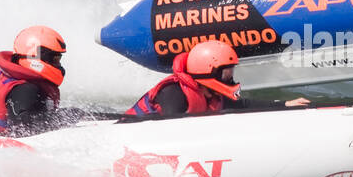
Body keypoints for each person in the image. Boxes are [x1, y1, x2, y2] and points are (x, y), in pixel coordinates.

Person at [126, 40, 309, 117]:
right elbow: (166, 130)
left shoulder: (213, 97)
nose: (230, 78)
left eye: (230, 72)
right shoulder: (174, 93)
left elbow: (244, 105)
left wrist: (285, 105)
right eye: (225, 73)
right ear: (207, 71)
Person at [0, 25, 67, 135]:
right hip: (4, 146)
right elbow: (24, 127)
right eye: (55, 59)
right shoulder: (24, 89)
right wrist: (66, 117)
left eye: (59, 60)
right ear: (35, 56)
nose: (58, 65)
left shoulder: (15, 76)